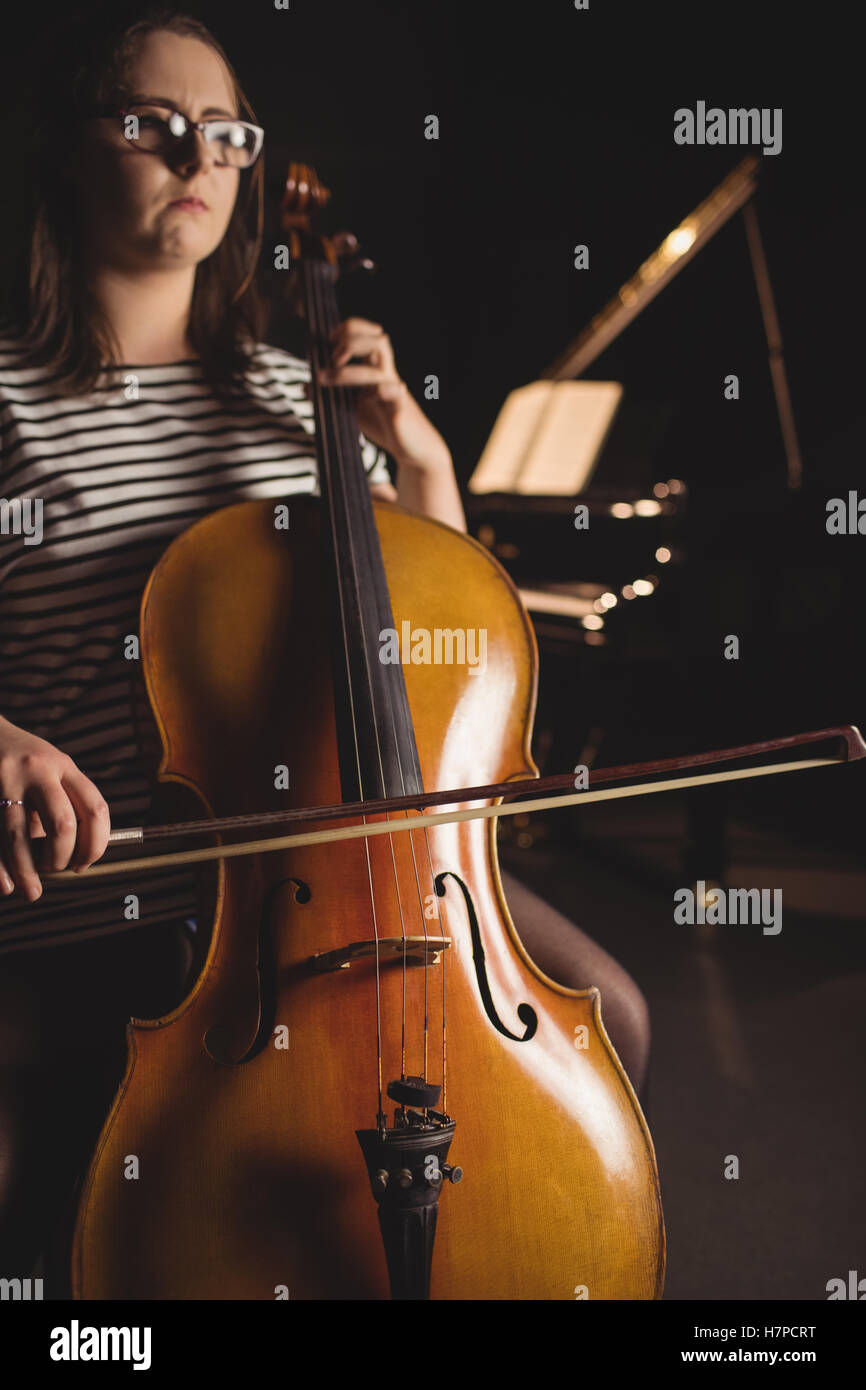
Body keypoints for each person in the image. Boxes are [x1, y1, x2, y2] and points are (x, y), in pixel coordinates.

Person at [0, 6, 649, 1291]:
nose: (198, 158)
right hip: (94, 881)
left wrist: (418, 463)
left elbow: (447, 638)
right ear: (75, 151)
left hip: (341, 866)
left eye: (225, 135)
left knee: (610, 1016)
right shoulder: (9, 399)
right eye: (152, 125)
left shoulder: (295, 398)